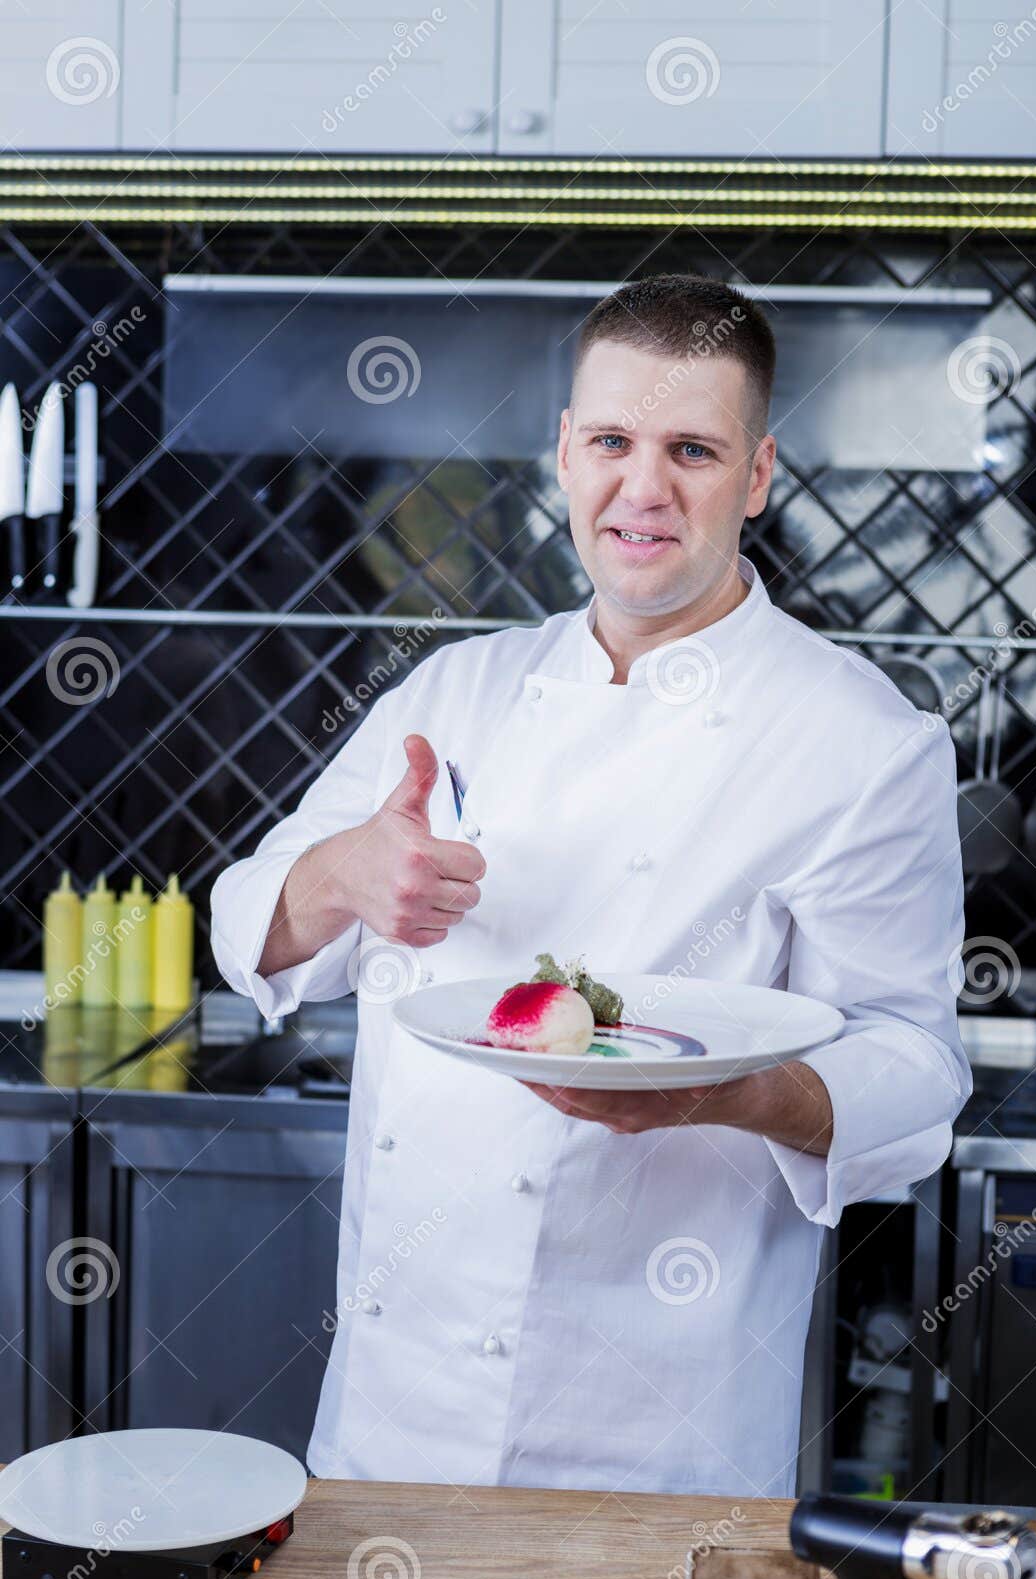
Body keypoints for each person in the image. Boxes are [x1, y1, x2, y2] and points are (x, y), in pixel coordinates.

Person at [210, 273, 971, 1498]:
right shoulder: (450, 692)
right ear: (563, 452)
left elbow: (917, 1068)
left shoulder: (858, 739)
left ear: (758, 474)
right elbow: (250, 926)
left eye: (692, 450)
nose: (643, 487)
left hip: (656, 1436)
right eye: (612, 440)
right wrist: (346, 875)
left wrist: (729, 1096)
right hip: (388, 1431)